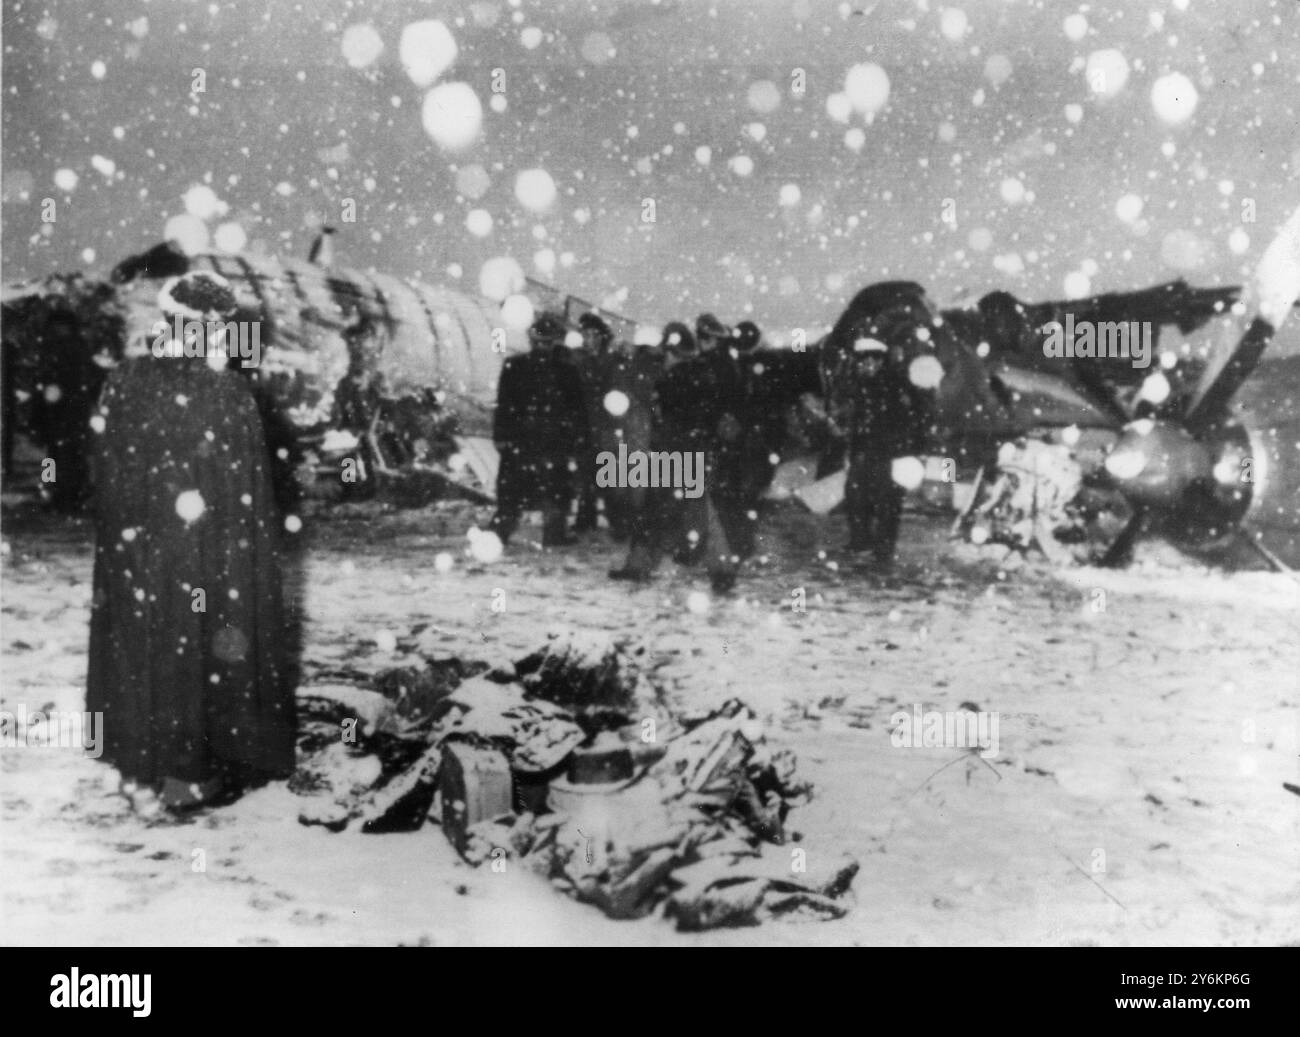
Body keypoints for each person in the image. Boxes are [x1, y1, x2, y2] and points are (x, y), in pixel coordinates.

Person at [86, 271, 296, 813]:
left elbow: (101, 465)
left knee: (139, 643)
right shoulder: (227, 392)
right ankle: (186, 774)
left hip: (137, 545)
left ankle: (136, 764)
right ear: (209, 325)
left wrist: (127, 527)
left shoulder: (126, 379)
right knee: (195, 648)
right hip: (202, 551)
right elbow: (248, 491)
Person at [610, 322, 740, 592]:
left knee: (653, 512)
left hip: (672, 453)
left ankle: (638, 566)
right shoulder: (704, 376)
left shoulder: (671, 380)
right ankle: (723, 570)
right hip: (694, 452)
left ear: (672, 351)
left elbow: (661, 415)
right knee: (702, 514)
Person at [488, 313, 588, 547]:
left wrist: (502, 435)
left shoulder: (516, 366)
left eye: (545, 342)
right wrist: (577, 440)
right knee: (550, 489)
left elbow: (504, 405)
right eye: (542, 342)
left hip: (528, 440)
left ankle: (502, 532)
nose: (543, 346)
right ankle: (550, 533)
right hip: (547, 441)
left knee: (517, 491)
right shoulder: (566, 371)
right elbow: (577, 411)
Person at [841, 336, 932, 566]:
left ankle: (881, 550)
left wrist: (910, 451)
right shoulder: (862, 385)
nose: (865, 365)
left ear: (880, 361)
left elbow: (914, 419)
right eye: (862, 361)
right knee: (857, 497)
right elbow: (858, 422)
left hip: (890, 454)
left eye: (870, 361)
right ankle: (861, 543)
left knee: (886, 502)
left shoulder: (895, 385)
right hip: (867, 452)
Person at [572, 312, 622, 536]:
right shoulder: (581, 361)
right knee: (587, 474)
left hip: (604, 426)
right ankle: (587, 518)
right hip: (586, 425)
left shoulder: (609, 361)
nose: (588, 339)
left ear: (601, 337)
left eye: (593, 334)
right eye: (585, 334)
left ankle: (616, 521)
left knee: (607, 475)